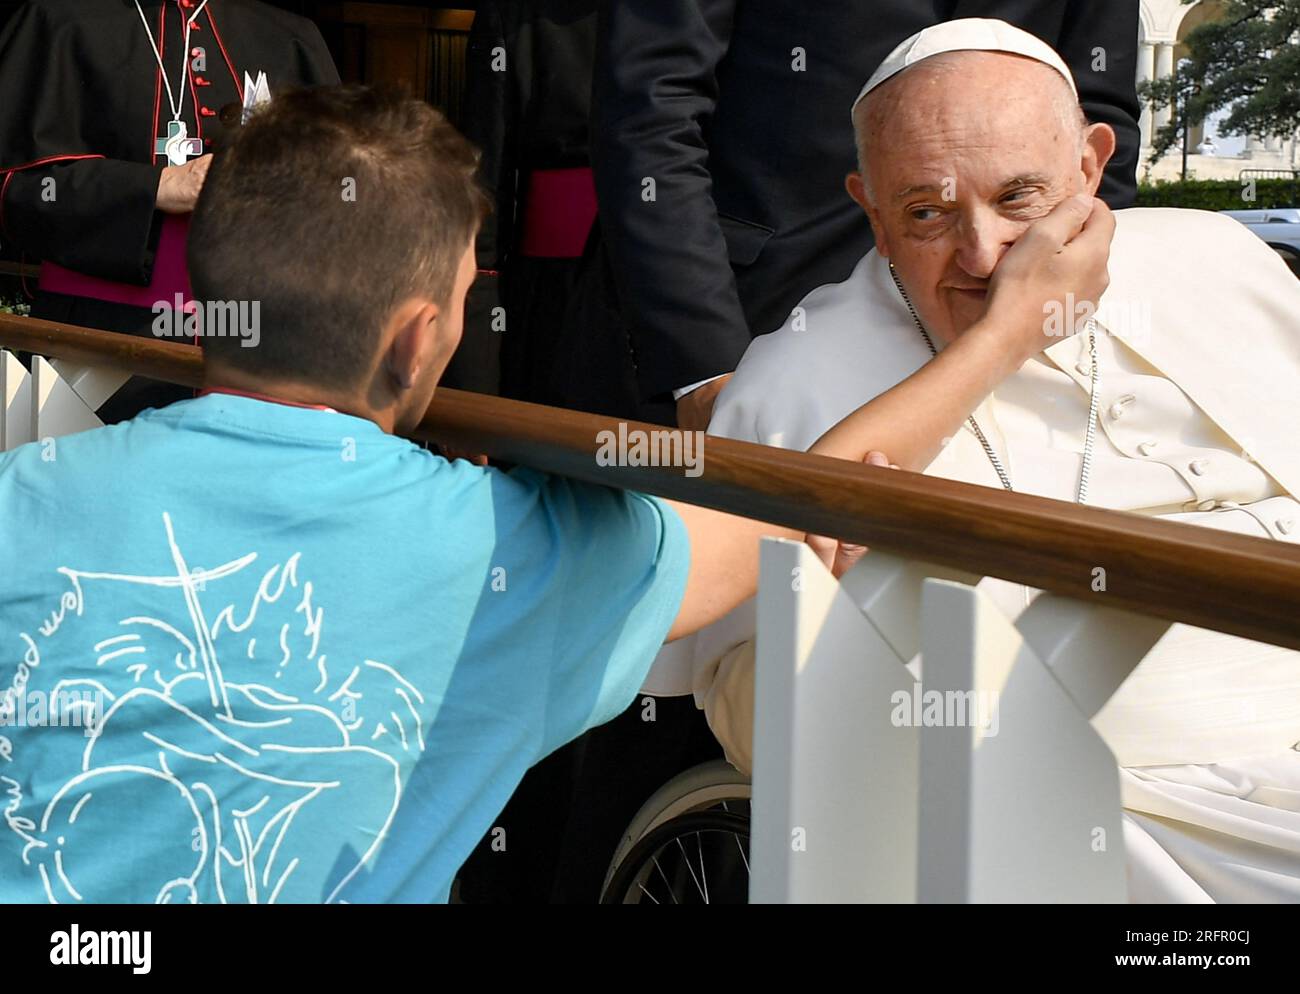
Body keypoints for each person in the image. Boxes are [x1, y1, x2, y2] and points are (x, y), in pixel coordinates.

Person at [0, 84, 1111, 903]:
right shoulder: (499, 551)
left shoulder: (21, 486)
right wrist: (1010, 329)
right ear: (420, 339)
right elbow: (809, 495)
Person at [700, 20, 1300, 903]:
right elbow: (752, 701)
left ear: (1093, 166)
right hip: (1091, 809)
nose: (983, 258)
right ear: (868, 206)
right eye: (928, 214)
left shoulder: (1216, 260)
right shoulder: (800, 375)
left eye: (1020, 199)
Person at [589, 0, 1142, 432]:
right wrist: (704, 372)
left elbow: (1097, 107)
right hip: (752, 313)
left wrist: (1067, 312)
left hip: (1016, 332)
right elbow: (650, 113)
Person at [0, 0, 339, 422]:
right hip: (100, 347)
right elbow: (15, 188)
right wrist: (158, 186)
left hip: (265, 349)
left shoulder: (291, 36)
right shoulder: (57, 20)